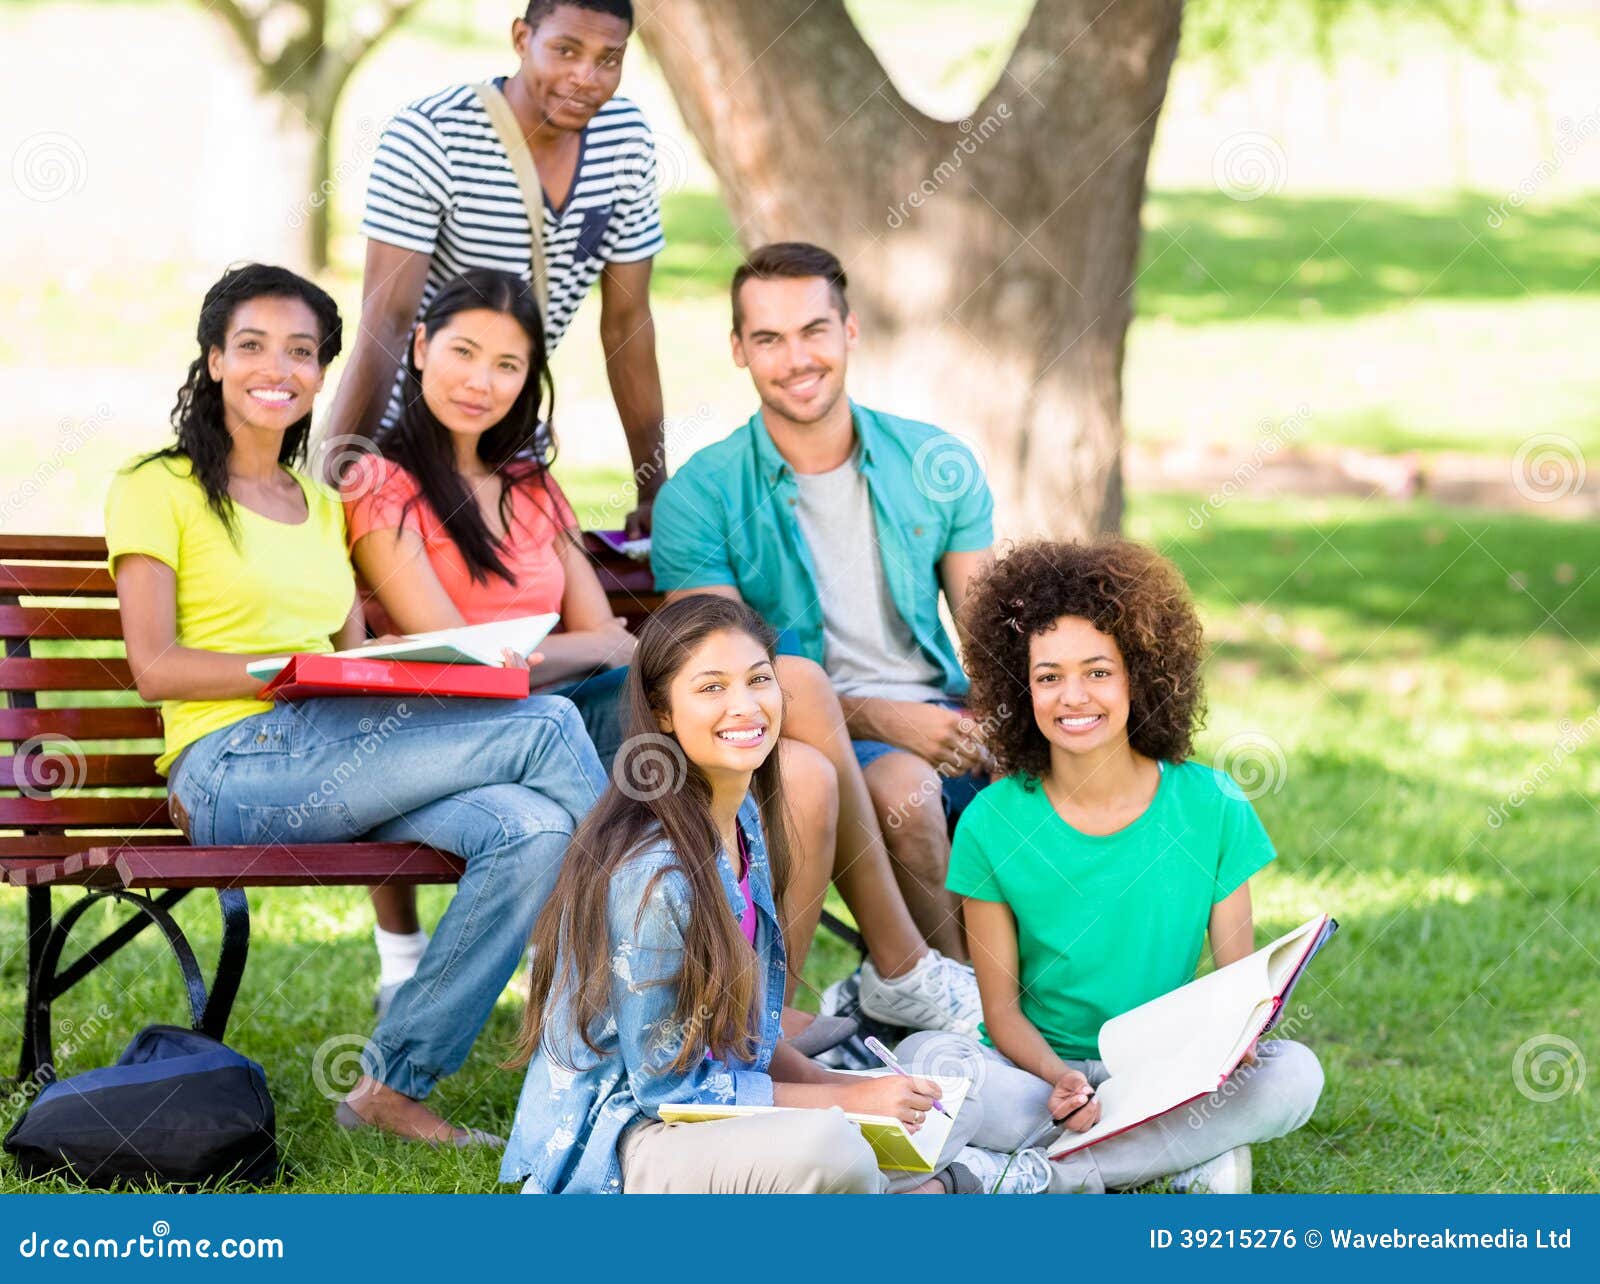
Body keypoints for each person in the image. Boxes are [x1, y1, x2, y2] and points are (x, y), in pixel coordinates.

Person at [106, 263, 605, 1146]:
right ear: (215, 359)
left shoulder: (318, 503)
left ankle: (387, 1088)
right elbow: (156, 667)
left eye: (301, 352)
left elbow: (356, 657)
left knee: (530, 827)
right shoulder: (157, 487)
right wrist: (285, 672)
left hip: (336, 752)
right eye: (253, 346)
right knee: (551, 724)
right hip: (230, 770)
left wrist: (389, 668)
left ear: (321, 372)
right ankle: (670, 989)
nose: (279, 368)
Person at [340, 266, 821, 1020]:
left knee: (768, 747)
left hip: (566, 718)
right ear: (422, 347)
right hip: (448, 734)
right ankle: (628, 975)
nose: (481, 382)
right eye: (464, 352)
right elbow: (461, 656)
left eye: (508, 365)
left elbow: (612, 638)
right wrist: (566, 653)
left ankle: (745, 997)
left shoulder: (533, 485)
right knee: (631, 734)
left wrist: (543, 658)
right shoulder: (378, 481)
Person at [500, 595, 982, 1193]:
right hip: (633, 1137)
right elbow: (667, 1090)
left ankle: (904, 1187)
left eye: (759, 680)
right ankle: (919, 1194)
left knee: (951, 1094)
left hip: (722, 1115)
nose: (745, 706)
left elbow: (743, 1026)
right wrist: (849, 1102)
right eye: (712, 688)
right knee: (832, 1147)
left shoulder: (743, 820)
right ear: (663, 712)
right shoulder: (653, 874)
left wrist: (852, 1090)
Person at [898, 540, 1324, 1194]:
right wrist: (1059, 1080)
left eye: (1098, 671)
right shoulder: (990, 822)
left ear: (1140, 676)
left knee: (1293, 1074)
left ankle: (1034, 1175)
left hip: (1165, 1073)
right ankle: (1169, 1155)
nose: (1073, 697)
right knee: (925, 1059)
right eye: (1048, 677)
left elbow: (1236, 985)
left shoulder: (1212, 804)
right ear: (1020, 686)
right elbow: (1001, 1014)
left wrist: (1234, 1044)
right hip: (1035, 1078)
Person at [650, 241, 994, 962]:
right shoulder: (701, 495)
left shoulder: (933, 461)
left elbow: (990, 636)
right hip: (798, 735)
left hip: (947, 713)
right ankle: (954, 998)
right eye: (769, 339)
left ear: (850, 330)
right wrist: (889, 719)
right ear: (739, 350)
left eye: (814, 331)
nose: (797, 359)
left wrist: (1005, 728)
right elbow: (726, 681)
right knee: (906, 792)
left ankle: (1059, 998)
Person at [326, 0, 665, 534]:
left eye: (609, 59)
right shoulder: (433, 136)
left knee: (544, 579)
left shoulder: (626, 142)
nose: (586, 78)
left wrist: (655, 491)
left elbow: (627, 324)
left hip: (511, 438)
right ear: (521, 39)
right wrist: (335, 484)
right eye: (566, 50)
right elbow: (387, 320)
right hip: (403, 440)